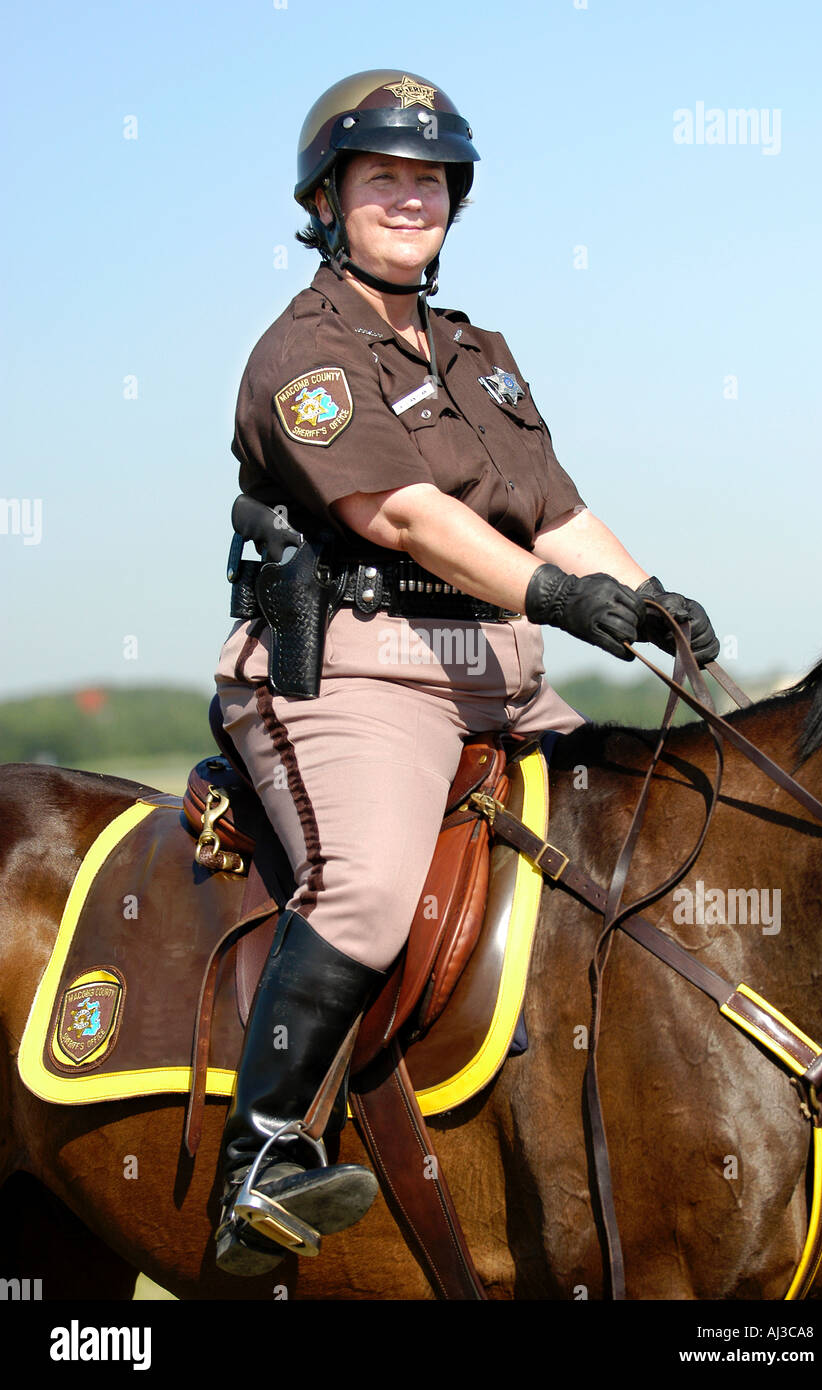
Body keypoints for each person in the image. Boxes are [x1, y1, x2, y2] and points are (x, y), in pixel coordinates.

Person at [213, 69, 719, 1275]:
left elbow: (557, 510)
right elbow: (405, 518)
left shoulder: (478, 353)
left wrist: (652, 603)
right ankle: (265, 1156)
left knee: (636, 839)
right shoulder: (305, 349)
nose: (411, 197)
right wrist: (559, 598)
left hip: (496, 666)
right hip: (352, 671)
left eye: (431, 180)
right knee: (373, 891)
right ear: (328, 199)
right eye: (384, 176)